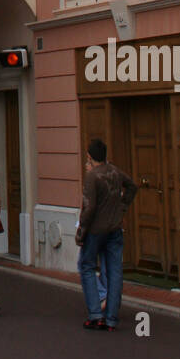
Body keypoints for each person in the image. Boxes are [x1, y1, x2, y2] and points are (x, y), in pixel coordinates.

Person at [76, 138, 138, 330]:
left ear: (89, 157)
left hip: (96, 230)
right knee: (114, 271)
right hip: (115, 228)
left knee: (86, 266)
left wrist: (81, 231)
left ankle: (95, 314)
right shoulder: (114, 171)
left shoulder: (92, 177)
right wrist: (122, 208)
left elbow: (89, 207)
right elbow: (133, 186)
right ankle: (111, 318)